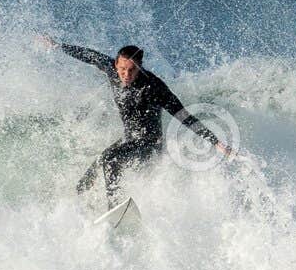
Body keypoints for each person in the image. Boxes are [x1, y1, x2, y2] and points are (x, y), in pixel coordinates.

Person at [37, 36, 233, 203]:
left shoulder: (154, 87)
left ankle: (114, 206)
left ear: (140, 67)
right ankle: (79, 200)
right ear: (116, 64)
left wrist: (215, 142)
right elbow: (88, 55)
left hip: (150, 144)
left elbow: (183, 116)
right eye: (123, 69)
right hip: (129, 139)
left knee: (110, 159)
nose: (126, 75)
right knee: (95, 169)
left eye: (132, 70)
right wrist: (57, 45)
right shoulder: (112, 70)